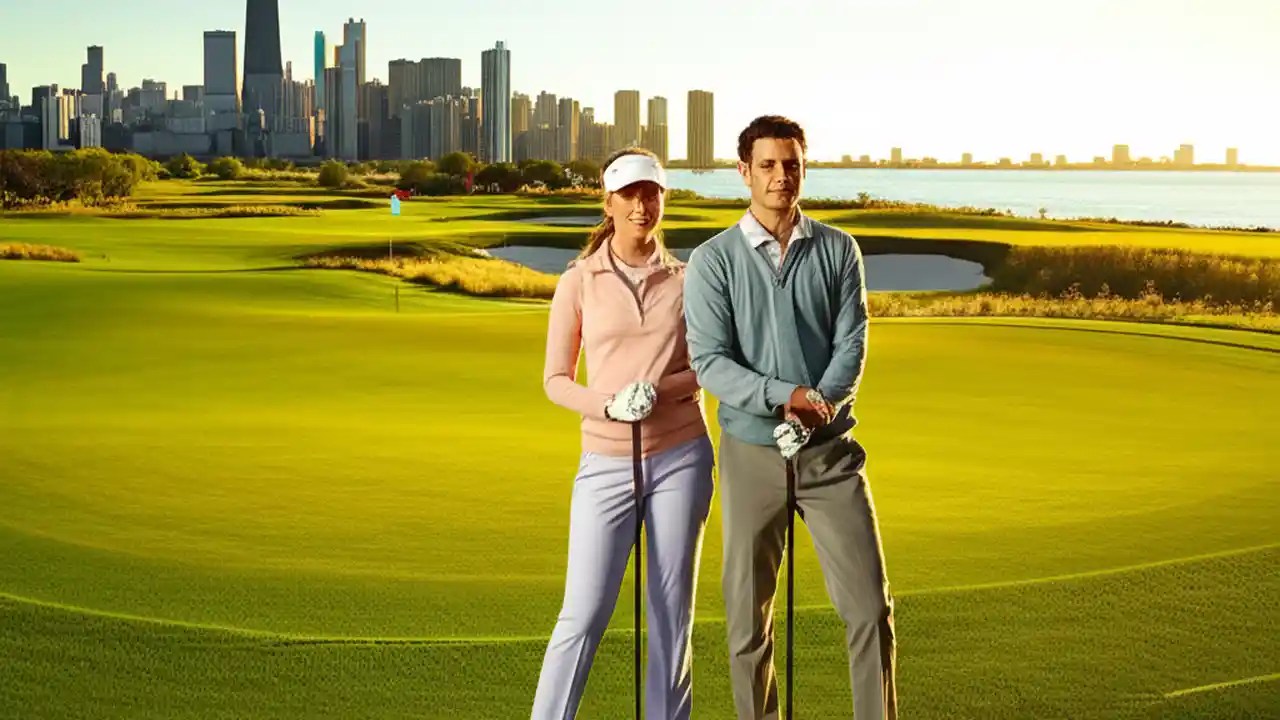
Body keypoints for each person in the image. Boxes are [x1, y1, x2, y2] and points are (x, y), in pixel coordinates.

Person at [683, 115, 897, 720]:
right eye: (769, 165)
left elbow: (851, 343)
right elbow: (710, 363)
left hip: (830, 454)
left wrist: (817, 403)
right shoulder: (713, 261)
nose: (781, 176)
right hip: (752, 455)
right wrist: (783, 396)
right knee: (748, 622)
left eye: (792, 164)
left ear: (804, 168)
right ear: (744, 172)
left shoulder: (837, 249)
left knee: (870, 610)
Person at [532, 147, 715, 720]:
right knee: (583, 613)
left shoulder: (689, 280)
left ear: (662, 199)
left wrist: (659, 391)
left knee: (670, 614)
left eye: (652, 193)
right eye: (630, 194)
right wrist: (610, 404)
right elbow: (556, 380)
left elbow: (709, 365)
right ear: (607, 202)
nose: (642, 205)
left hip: (682, 455)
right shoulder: (579, 281)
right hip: (606, 463)